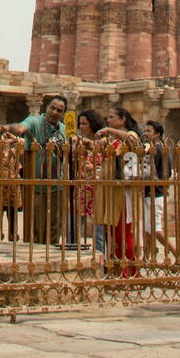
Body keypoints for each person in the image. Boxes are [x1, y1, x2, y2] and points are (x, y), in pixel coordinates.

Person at [0, 95, 68, 243]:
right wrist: (10, 127)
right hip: (36, 182)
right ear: (46, 108)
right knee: (36, 225)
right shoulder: (35, 121)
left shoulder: (63, 129)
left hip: (57, 182)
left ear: (63, 114)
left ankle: (52, 255)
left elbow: (67, 153)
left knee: (55, 226)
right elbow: (20, 128)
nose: (55, 112)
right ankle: (38, 255)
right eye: (52, 108)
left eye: (59, 110)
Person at [93, 107, 143, 276]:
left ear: (122, 120)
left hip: (123, 194)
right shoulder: (113, 142)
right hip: (111, 193)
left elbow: (132, 140)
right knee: (114, 235)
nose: (108, 120)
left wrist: (109, 130)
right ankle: (119, 270)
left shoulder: (130, 136)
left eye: (112, 117)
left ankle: (132, 272)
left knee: (124, 234)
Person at [70, 108, 106, 253]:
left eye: (84, 123)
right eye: (80, 123)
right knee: (73, 227)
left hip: (97, 188)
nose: (81, 127)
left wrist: (94, 168)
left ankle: (101, 260)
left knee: (98, 230)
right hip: (81, 188)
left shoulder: (102, 141)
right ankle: (72, 257)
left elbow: (107, 163)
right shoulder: (79, 143)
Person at [142, 121, 176, 258]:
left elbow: (148, 172)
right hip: (155, 192)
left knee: (155, 229)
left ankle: (178, 253)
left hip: (155, 193)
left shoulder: (155, 150)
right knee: (148, 229)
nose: (145, 133)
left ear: (157, 134)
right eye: (145, 131)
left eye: (149, 131)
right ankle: (146, 257)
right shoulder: (161, 149)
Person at [0, 131, 23, 241]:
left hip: (12, 185)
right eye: (3, 139)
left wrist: (13, 137)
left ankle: (13, 234)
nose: (6, 142)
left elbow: (23, 144)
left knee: (12, 213)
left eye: (7, 140)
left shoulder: (14, 152)